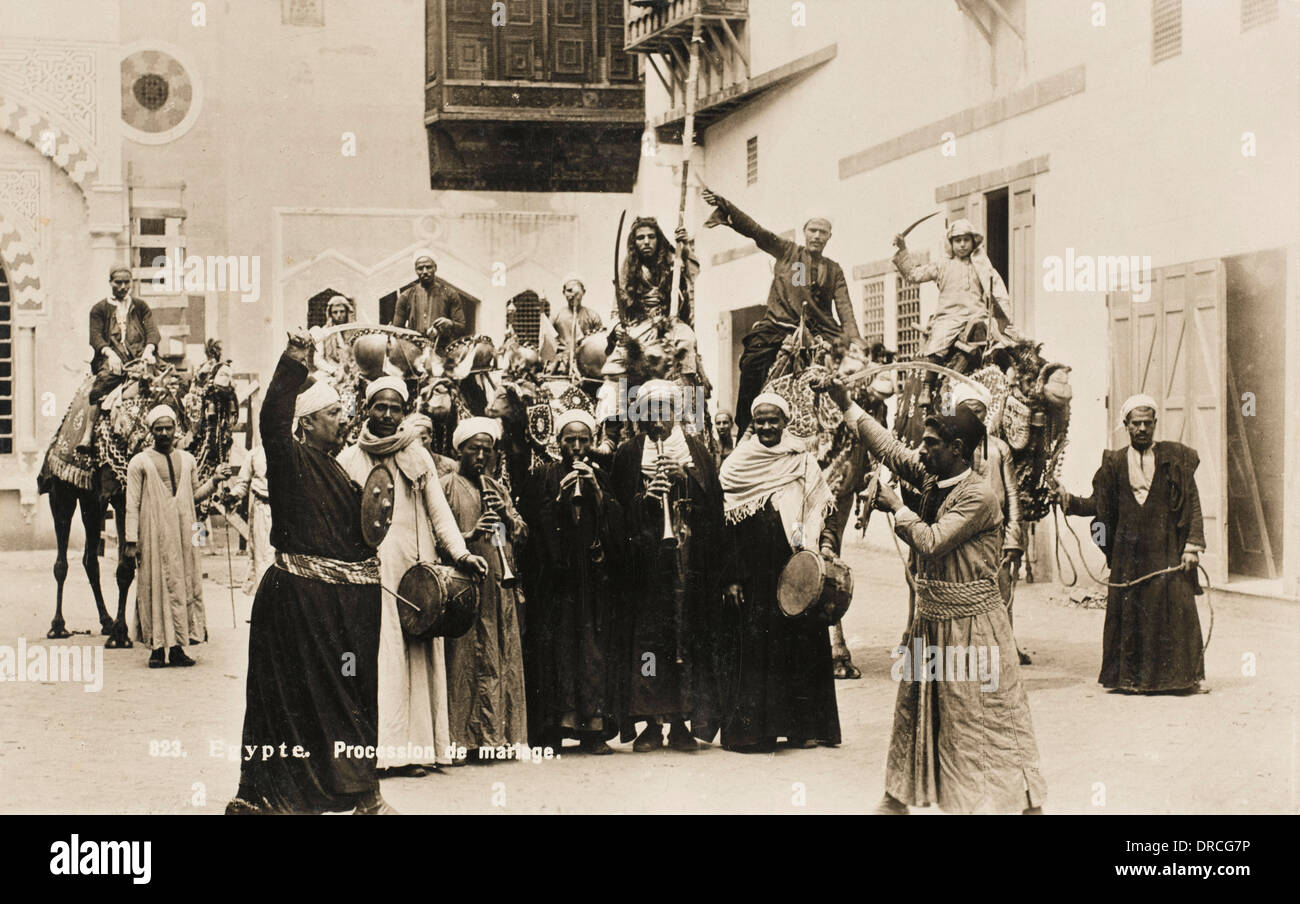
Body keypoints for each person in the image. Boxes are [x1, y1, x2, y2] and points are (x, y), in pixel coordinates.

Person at [825, 379, 1045, 814]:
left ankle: (1013, 805)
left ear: (958, 448)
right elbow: (888, 447)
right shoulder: (933, 474)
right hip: (932, 621)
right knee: (917, 713)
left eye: (930, 444)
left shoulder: (979, 496)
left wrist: (896, 507)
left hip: (973, 627)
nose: (921, 451)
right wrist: (846, 403)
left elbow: (931, 541)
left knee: (977, 719)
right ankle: (898, 799)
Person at [226, 330, 395, 815]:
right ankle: (274, 799)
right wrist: (295, 360)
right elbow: (271, 418)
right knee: (292, 703)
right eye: (333, 415)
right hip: (298, 606)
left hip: (343, 612)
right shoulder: (288, 458)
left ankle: (362, 793)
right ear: (307, 423)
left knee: (350, 699)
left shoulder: (338, 468)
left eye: (343, 413)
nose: (344, 421)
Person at [337, 377, 489, 776]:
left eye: (395, 408)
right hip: (371, 572)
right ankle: (384, 752)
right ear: (367, 408)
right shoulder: (350, 459)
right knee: (379, 655)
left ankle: (419, 751)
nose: (387, 415)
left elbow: (440, 513)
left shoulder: (417, 455)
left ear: (404, 412)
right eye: (379, 407)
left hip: (416, 574)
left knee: (417, 658)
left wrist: (461, 554)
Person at [1053, 394, 1206, 694]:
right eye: (1136, 423)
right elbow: (1098, 505)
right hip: (1128, 554)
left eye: (1148, 423)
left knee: (1174, 607)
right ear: (1126, 425)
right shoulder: (1113, 463)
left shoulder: (1176, 459)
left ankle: (1177, 680)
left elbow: (1193, 504)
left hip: (1166, 549)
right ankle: (1130, 679)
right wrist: (1068, 501)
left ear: (1155, 424)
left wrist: (1192, 546)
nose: (1142, 429)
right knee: (1131, 611)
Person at [718, 392, 841, 752]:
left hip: (797, 570)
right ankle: (757, 732)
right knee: (759, 651)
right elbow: (726, 528)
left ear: (785, 421)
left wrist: (826, 545)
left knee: (802, 646)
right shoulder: (736, 465)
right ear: (752, 424)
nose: (768, 426)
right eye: (761, 420)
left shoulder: (803, 462)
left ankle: (807, 728)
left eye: (774, 420)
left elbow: (824, 508)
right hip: (755, 576)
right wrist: (732, 577)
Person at [611, 380, 726, 752]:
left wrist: (687, 479)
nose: (656, 420)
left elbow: (715, 507)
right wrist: (644, 498)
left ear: (676, 413)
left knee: (685, 639)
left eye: (664, 411)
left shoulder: (696, 450)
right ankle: (648, 722)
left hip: (688, 563)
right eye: (649, 412)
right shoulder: (628, 453)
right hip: (645, 567)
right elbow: (615, 514)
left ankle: (680, 722)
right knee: (649, 645)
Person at [701, 188, 864, 435]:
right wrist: (727, 207)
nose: (817, 236)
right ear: (804, 232)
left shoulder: (834, 270)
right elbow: (757, 231)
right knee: (752, 365)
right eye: (813, 230)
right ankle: (746, 429)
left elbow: (845, 309)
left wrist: (855, 341)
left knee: (851, 380)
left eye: (823, 232)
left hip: (822, 333)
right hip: (778, 328)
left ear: (830, 236)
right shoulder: (788, 251)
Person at [520, 409, 625, 754]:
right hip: (558, 582)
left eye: (583, 440)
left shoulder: (600, 475)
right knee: (558, 651)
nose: (577, 447)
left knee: (592, 652)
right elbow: (535, 527)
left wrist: (595, 492)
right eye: (570, 441)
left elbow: (616, 524)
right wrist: (559, 503)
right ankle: (557, 728)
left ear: (592, 442)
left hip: (592, 579)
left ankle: (594, 730)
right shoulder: (544, 475)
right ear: (559, 442)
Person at [441, 417, 529, 758]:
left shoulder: (498, 487)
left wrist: (506, 519)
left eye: (486, 450)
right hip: (463, 586)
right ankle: (464, 740)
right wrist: (470, 535)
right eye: (473, 449)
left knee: (498, 656)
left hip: (498, 585)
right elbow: (438, 536)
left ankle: (497, 739)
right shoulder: (446, 485)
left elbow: (518, 535)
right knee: (465, 660)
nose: (480, 456)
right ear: (458, 450)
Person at [125, 405, 230, 668]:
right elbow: (132, 504)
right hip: (153, 535)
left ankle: (179, 647)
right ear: (151, 431)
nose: (163, 433)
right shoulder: (139, 462)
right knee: (155, 585)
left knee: (184, 583)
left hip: (184, 533)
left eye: (168, 428)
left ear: (175, 430)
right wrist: (130, 542)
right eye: (158, 428)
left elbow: (192, 496)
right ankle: (157, 649)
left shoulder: (188, 460)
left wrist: (215, 481)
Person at [951, 382, 1029, 665]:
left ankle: (1005, 652)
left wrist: (1013, 539)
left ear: (986, 413)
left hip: (994, 537)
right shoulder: (948, 451)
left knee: (1001, 594)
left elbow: (1012, 497)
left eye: (979, 410)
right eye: (966, 411)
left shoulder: (999, 449)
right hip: (957, 538)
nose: (973, 416)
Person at [892, 219, 1020, 381]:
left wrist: (1004, 316)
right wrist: (903, 249)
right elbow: (913, 275)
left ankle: (1011, 383)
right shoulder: (942, 265)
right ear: (950, 243)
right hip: (949, 318)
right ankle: (927, 385)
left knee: (1004, 345)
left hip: (977, 316)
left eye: (966, 240)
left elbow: (999, 291)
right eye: (957, 240)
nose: (962, 245)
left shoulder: (982, 265)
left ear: (973, 242)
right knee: (937, 345)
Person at [78, 267, 161, 452]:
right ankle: (88, 434)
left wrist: (149, 350)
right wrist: (110, 354)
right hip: (113, 358)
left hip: (141, 357)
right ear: (110, 283)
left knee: (167, 386)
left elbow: (152, 331)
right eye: (118, 282)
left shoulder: (140, 306)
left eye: (127, 282)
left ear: (131, 282)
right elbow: (96, 337)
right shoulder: (99, 309)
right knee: (99, 388)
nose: (123, 287)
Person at [225, 445, 272, 595]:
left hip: (287, 509)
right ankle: (264, 608)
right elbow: (242, 483)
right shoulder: (255, 454)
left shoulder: (295, 449)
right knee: (263, 558)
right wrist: (233, 496)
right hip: (262, 509)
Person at [393, 250, 465, 346]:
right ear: (415, 271)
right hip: (413, 349)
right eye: (420, 268)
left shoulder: (450, 294)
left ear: (435, 268)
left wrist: (450, 324)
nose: (425, 271)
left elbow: (462, 327)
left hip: (442, 349)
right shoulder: (405, 296)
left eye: (429, 267)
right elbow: (397, 330)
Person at [552, 277, 603, 365]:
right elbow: (550, 343)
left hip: (588, 362)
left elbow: (600, 341)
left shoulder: (593, 316)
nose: (573, 295)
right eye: (569, 290)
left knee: (621, 378)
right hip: (562, 362)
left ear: (583, 292)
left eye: (577, 291)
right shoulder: (556, 316)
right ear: (563, 293)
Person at [316, 294, 355, 375]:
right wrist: (333, 371)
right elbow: (318, 359)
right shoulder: (324, 332)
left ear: (347, 312)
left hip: (353, 371)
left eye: (342, 311)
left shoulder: (355, 330)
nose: (339, 315)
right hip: (332, 371)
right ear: (330, 314)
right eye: (335, 312)